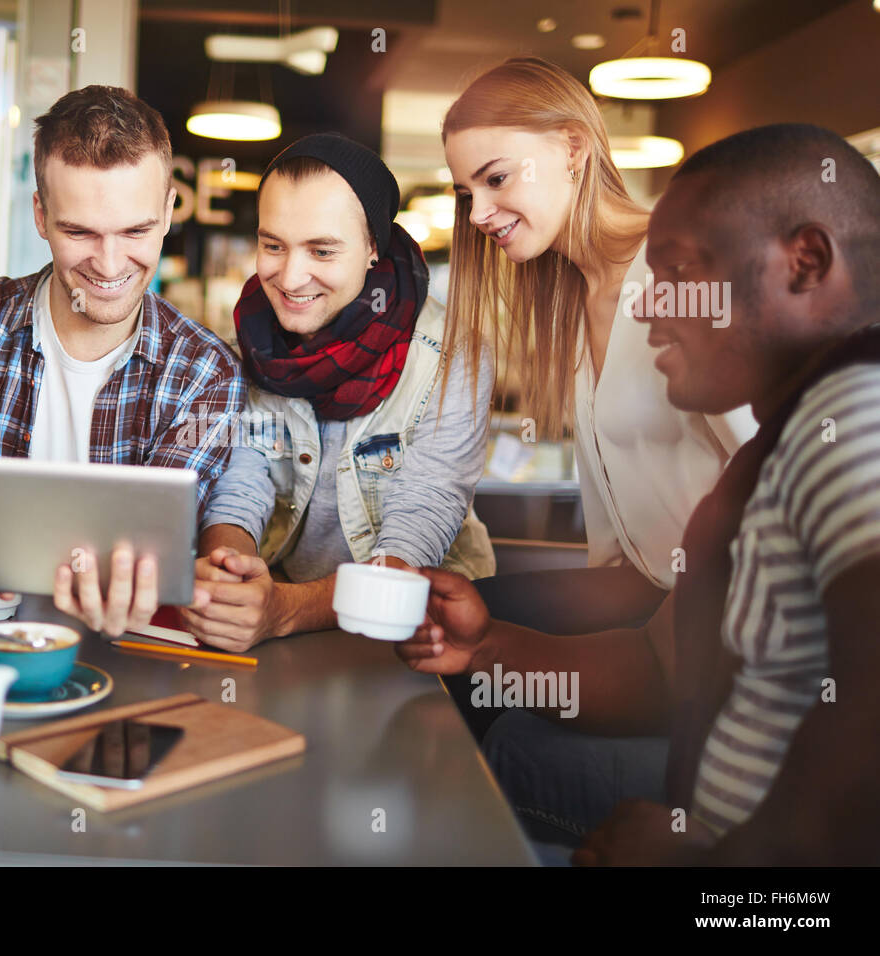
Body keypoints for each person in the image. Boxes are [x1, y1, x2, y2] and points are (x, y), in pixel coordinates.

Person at [399, 124, 880, 865]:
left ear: (804, 263)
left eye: (679, 274)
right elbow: (659, 671)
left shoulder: (854, 417)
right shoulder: (777, 452)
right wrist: (486, 647)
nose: (649, 310)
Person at [0, 85, 244, 637]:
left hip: (128, 658)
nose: (110, 265)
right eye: (79, 231)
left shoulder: (205, 371)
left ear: (169, 211)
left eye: (136, 231)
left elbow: (158, 535)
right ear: (40, 213)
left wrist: (136, 580)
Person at [440, 56, 757, 635]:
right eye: (467, 193)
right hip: (647, 612)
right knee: (455, 622)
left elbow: (774, 472)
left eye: (497, 178)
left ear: (573, 148)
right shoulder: (571, 301)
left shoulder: (686, 269)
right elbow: (612, 546)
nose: (479, 213)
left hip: (732, 622)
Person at [183, 134, 494, 652]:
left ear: (374, 246)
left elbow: (417, 527)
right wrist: (228, 572)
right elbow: (242, 479)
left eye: (322, 250)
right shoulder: (252, 342)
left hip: (418, 636)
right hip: (282, 629)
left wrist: (283, 611)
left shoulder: (453, 353)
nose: (290, 276)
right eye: (273, 245)